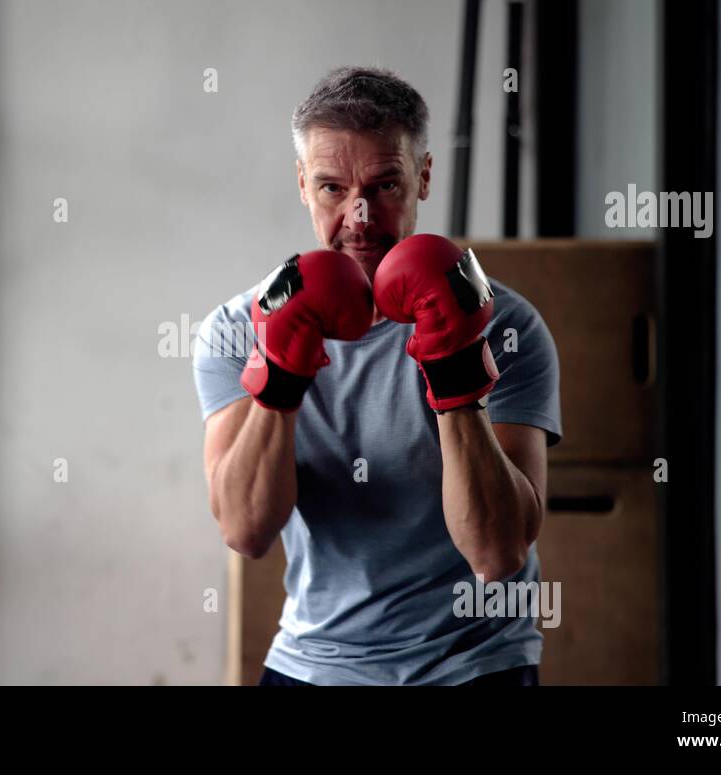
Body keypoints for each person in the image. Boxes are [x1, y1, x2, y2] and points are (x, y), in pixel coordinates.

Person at [192, 66, 562, 686]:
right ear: (303, 185)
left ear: (422, 177)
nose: (359, 216)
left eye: (384, 185)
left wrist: (453, 365)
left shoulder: (507, 325)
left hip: (476, 664)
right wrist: (281, 375)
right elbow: (245, 531)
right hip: (316, 664)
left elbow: (497, 556)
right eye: (333, 188)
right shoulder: (235, 330)